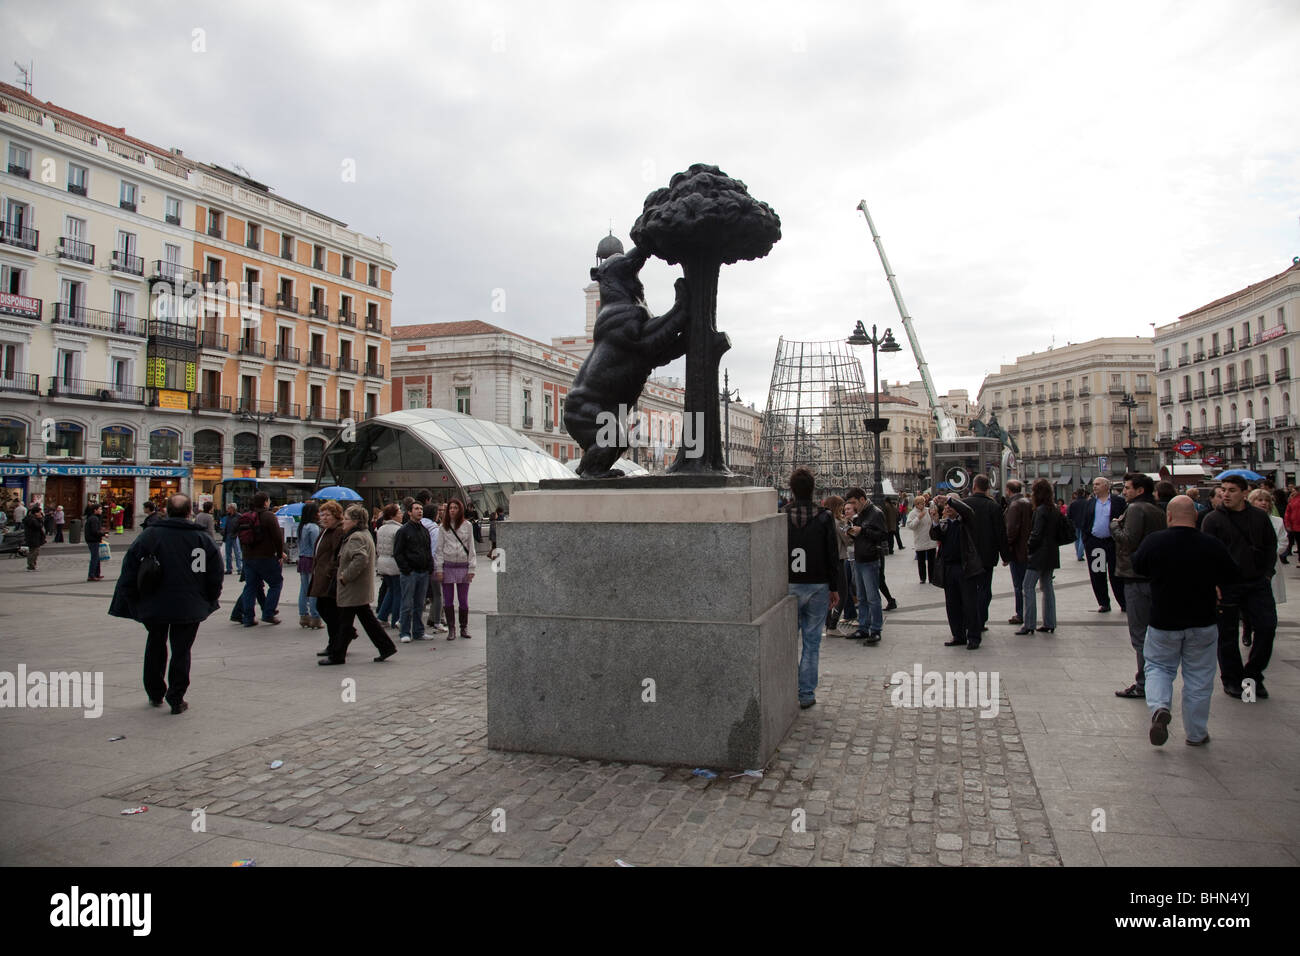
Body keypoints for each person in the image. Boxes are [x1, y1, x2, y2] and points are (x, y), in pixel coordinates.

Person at [1133, 496, 1239, 746]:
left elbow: (1138, 566)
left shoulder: (1155, 542)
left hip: (1163, 620)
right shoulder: (1210, 544)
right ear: (1196, 516)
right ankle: (1196, 733)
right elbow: (1232, 574)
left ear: (1168, 516)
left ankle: (1159, 707)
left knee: (1158, 668)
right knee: (1199, 677)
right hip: (1202, 621)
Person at [109, 494, 223, 715]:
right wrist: (209, 600)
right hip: (190, 604)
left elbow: (129, 569)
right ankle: (176, 697)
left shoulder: (150, 535)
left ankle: (154, 691)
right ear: (190, 512)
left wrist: (132, 598)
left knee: (155, 644)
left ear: (167, 511)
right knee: (182, 650)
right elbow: (215, 574)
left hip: (155, 602)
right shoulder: (202, 539)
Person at [1202, 475, 1277, 700]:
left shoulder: (1259, 518)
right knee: (1227, 634)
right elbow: (1207, 554)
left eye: (1232, 490)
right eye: (1223, 490)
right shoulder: (1212, 520)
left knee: (1266, 628)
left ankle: (1253, 675)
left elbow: (1270, 547)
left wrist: (1266, 574)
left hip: (1256, 583)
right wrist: (1212, 582)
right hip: (1227, 584)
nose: (1226, 494)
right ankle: (1232, 679)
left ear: (1245, 493)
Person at [786, 468, 840, 709]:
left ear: (791, 490)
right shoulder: (825, 517)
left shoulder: (782, 515)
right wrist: (835, 588)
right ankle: (806, 693)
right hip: (818, 584)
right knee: (812, 642)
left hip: (790, 583)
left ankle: (784, 689)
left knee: (787, 640)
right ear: (813, 489)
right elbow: (832, 554)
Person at [1110, 473, 1166, 699]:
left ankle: (1144, 683)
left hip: (1135, 575)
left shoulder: (1134, 510)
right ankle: (1156, 680)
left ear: (1139, 490)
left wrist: (1114, 526)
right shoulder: (1158, 511)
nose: (1124, 491)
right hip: (1154, 575)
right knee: (1154, 634)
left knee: (1140, 635)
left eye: (1127, 488)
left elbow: (1128, 538)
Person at [320, 505, 398, 665]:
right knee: (365, 620)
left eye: (347, 519)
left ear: (355, 521)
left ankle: (337, 655)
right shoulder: (362, 534)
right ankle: (385, 647)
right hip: (357, 588)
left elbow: (360, 559)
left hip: (354, 587)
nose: (344, 522)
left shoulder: (356, 537)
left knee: (346, 622)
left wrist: (345, 576)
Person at [932, 494, 985, 648]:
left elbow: (967, 511)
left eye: (950, 505)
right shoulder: (945, 523)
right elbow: (934, 535)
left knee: (969, 604)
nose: (947, 508)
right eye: (946, 506)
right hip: (948, 568)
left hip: (964, 567)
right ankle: (958, 635)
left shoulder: (967, 521)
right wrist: (935, 520)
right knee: (952, 604)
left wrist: (948, 500)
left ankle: (974, 636)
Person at [962, 474, 1010, 631]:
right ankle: (980, 620)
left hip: (968, 555)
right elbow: (1000, 533)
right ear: (987, 488)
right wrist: (1005, 555)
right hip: (987, 555)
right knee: (984, 589)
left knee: (970, 590)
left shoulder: (964, 504)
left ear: (974, 486)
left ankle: (970, 620)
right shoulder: (994, 506)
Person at [309, 501, 352, 657]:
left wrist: (330, 572)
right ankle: (342, 636)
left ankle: (335, 643)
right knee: (324, 608)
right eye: (322, 514)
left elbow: (337, 555)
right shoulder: (325, 531)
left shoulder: (337, 531)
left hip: (329, 577)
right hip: (320, 575)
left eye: (328, 514)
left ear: (336, 516)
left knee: (328, 610)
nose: (324, 518)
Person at [1017, 478, 1059, 635]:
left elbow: (1036, 534)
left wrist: (1029, 547)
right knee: (1047, 587)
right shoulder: (1053, 508)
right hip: (1052, 553)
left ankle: (1029, 624)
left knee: (1027, 586)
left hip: (1039, 554)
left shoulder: (1040, 510)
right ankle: (1050, 622)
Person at [844, 487, 886, 644]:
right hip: (859, 558)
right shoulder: (860, 513)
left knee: (872, 597)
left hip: (870, 559)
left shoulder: (876, 513)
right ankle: (863, 627)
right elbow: (860, 535)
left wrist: (862, 530)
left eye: (854, 502)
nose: (853, 506)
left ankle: (875, 629)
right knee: (861, 597)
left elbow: (882, 536)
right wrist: (852, 532)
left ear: (862, 499)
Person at [239, 492, 285, 627]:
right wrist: (279, 554)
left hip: (248, 557)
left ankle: (248, 618)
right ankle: (268, 613)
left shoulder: (246, 516)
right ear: (265, 502)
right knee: (276, 584)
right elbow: (277, 537)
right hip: (266, 556)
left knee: (250, 587)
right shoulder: (269, 516)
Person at [1246, 488, 1288, 639]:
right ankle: (1248, 625)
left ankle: (1267, 628)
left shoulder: (1277, 522)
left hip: (1271, 565)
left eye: (1266, 500)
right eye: (1259, 500)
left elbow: (1283, 541)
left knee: (1269, 599)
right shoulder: (1246, 520)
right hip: (1252, 566)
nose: (1263, 503)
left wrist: (1270, 553)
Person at [1083, 477, 1127, 613]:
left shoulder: (1118, 501)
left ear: (1107, 486)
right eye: (1094, 484)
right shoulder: (1090, 503)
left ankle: (1123, 602)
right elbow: (1085, 521)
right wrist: (1087, 540)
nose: (1094, 486)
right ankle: (1104, 603)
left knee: (1116, 574)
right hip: (1096, 543)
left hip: (1112, 543)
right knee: (1098, 574)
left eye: (1098, 484)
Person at [436, 497, 477, 639]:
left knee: (463, 600)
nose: (452, 510)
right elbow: (439, 549)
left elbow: (471, 548)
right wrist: (439, 569)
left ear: (460, 510)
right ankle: (451, 628)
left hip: (463, 566)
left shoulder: (468, 526)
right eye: (450, 508)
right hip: (447, 566)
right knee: (448, 600)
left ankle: (463, 628)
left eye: (455, 508)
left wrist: (472, 568)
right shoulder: (443, 527)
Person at [395, 501, 433, 642]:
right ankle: (405, 632)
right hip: (410, 573)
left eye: (421, 508)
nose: (420, 511)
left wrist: (429, 566)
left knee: (419, 603)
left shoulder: (424, 530)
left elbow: (428, 550)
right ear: (409, 512)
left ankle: (418, 631)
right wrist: (406, 569)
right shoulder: (404, 531)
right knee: (407, 604)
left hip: (423, 572)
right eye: (416, 509)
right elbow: (398, 553)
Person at [1003, 479, 1032, 625]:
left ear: (1008, 490)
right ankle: (1028, 613)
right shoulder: (1028, 502)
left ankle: (1020, 613)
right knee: (1026, 584)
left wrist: (1006, 552)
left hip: (1017, 552)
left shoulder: (1014, 505)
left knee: (1019, 584)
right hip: (1028, 549)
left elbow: (1011, 531)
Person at [821, 496, 851, 637]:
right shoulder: (838, 522)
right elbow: (848, 539)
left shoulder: (822, 521)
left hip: (825, 561)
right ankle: (833, 624)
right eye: (841, 506)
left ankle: (828, 624)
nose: (843, 509)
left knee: (829, 594)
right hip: (838, 560)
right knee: (842, 594)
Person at [374, 503, 403, 629]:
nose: (401, 514)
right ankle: (395, 619)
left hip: (382, 562)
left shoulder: (381, 529)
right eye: (399, 512)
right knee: (398, 592)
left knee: (390, 590)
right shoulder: (398, 530)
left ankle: (382, 616)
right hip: (394, 563)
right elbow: (399, 549)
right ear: (393, 515)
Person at [296, 501, 323, 629]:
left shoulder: (302, 526)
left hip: (302, 559)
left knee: (304, 589)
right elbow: (316, 547)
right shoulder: (313, 527)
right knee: (313, 589)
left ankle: (303, 615)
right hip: (311, 560)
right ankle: (315, 616)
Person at [905, 494, 935, 584]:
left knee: (932, 561)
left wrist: (933, 516)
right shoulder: (913, 513)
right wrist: (918, 518)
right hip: (920, 539)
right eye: (920, 503)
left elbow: (933, 522)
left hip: (930, 539)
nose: (922, 505)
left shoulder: (928, 511)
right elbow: (910, 526)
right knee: (921, 561)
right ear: (916, 504)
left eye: (923, 503)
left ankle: (932, 577)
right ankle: (922, 578)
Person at [84, 502, 105, 581]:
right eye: (100, 509)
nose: (101, 510)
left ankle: (96, 574)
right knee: (95, 558)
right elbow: (94, 531)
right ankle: (91, 575)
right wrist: (103, 534)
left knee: (97, 558)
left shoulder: (94, 518)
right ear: (95, 510)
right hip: (93, 540)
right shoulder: (94, 518)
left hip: (93, 540)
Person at [221, 503, 243, 575]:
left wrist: (238, 534)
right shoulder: (227, 517)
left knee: (237, 553)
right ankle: (229, 569)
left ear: (233, 509)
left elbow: (241, 526)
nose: (227, 510)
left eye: (229, 508)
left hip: (235, 536)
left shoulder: (239, 516)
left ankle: (239, 568)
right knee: (228, 553)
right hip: (228, 535)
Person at [1067, 489, 1088, 561]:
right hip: (1084, 523)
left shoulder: (1073, 503)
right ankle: (1080, 555)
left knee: (1077, 539)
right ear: (1083, 493)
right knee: (1082, 539)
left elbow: (1069, 515)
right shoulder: (1087, 503)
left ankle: (1078, 554)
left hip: (1075, 523)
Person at [22, 503, 45, 571]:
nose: (41, 514)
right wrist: (40, 519)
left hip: (32, 537)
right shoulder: (32, 519)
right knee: (34, 552)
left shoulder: (30, 518)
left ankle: (32, 565)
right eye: (40, 513)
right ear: (36, 513)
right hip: (33, 537)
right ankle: (31, 566)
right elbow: (38, 526)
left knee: (33, 551)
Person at [1284, 488, 1300, 562]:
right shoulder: (1292, 500)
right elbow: (1288, 512)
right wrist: (1287, 523)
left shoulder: (1293, 500)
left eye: (1294, 491)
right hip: (1295, 525)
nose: (1292, 492)